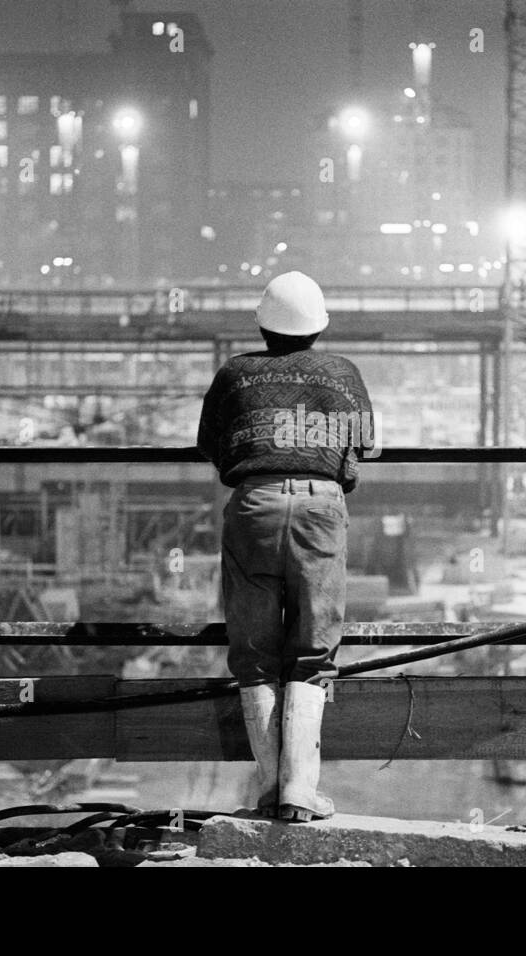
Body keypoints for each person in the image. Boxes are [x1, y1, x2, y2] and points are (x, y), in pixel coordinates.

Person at [197, 271, 375, 822]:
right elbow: (364, 444)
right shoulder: (343, 374)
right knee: (313, 652)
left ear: (261, 324)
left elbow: (211, 445)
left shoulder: (234, 374)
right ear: (319, 328)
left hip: (254, 506)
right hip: (321, 510)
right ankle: (299, 793)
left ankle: (269, 792)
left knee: (253, 656)